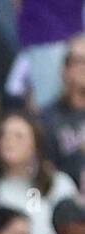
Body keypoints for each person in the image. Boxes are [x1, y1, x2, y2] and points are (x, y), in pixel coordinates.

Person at [0, 112, 79, 234]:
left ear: (35, 144)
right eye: (3, 135)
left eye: (18, 136)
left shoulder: (59, 183)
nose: (8, 141)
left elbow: (74, 229)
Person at [42, 33, 85, 185]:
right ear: (65, 69)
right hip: (67, 200)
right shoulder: (47, 118)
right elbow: (43, 175)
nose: (83, 68)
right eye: (79, 61)